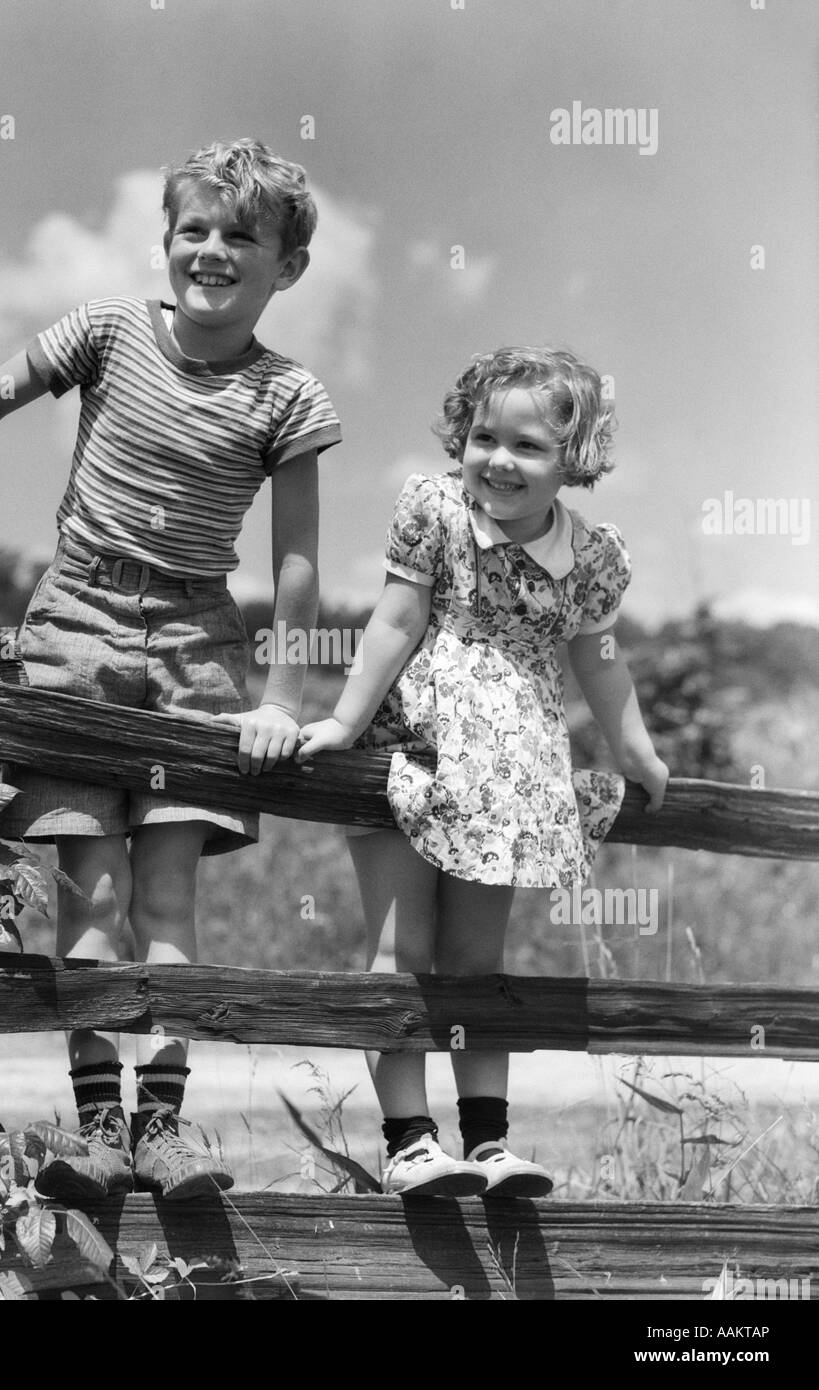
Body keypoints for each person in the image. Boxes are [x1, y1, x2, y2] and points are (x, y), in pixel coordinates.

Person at [0, 139, 341, 1200]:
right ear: (166, 240)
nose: (211, 252)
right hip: (74, 620)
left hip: (197, 645)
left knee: (166, 899)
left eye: (240, 238)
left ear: (286, 268)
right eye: (194, 231)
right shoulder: (110, 330)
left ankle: (162, 1125)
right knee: (92, 890)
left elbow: (297, 558)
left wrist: (280, 695)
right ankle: (95, 1126)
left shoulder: (286, 395)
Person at [297, 347, 667, 1198]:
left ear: (570, 462)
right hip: (416, 743)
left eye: (527, 446)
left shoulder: (592, 557)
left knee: (474, 958)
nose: (498, 459)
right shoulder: (435, 510)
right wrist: (347, 720)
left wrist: (637, 752)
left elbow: (601, 662)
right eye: (483, 436)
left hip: (511, 770)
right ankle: (409, 1141)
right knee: (402, 945)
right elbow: (394, 618)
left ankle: (489, 1141)